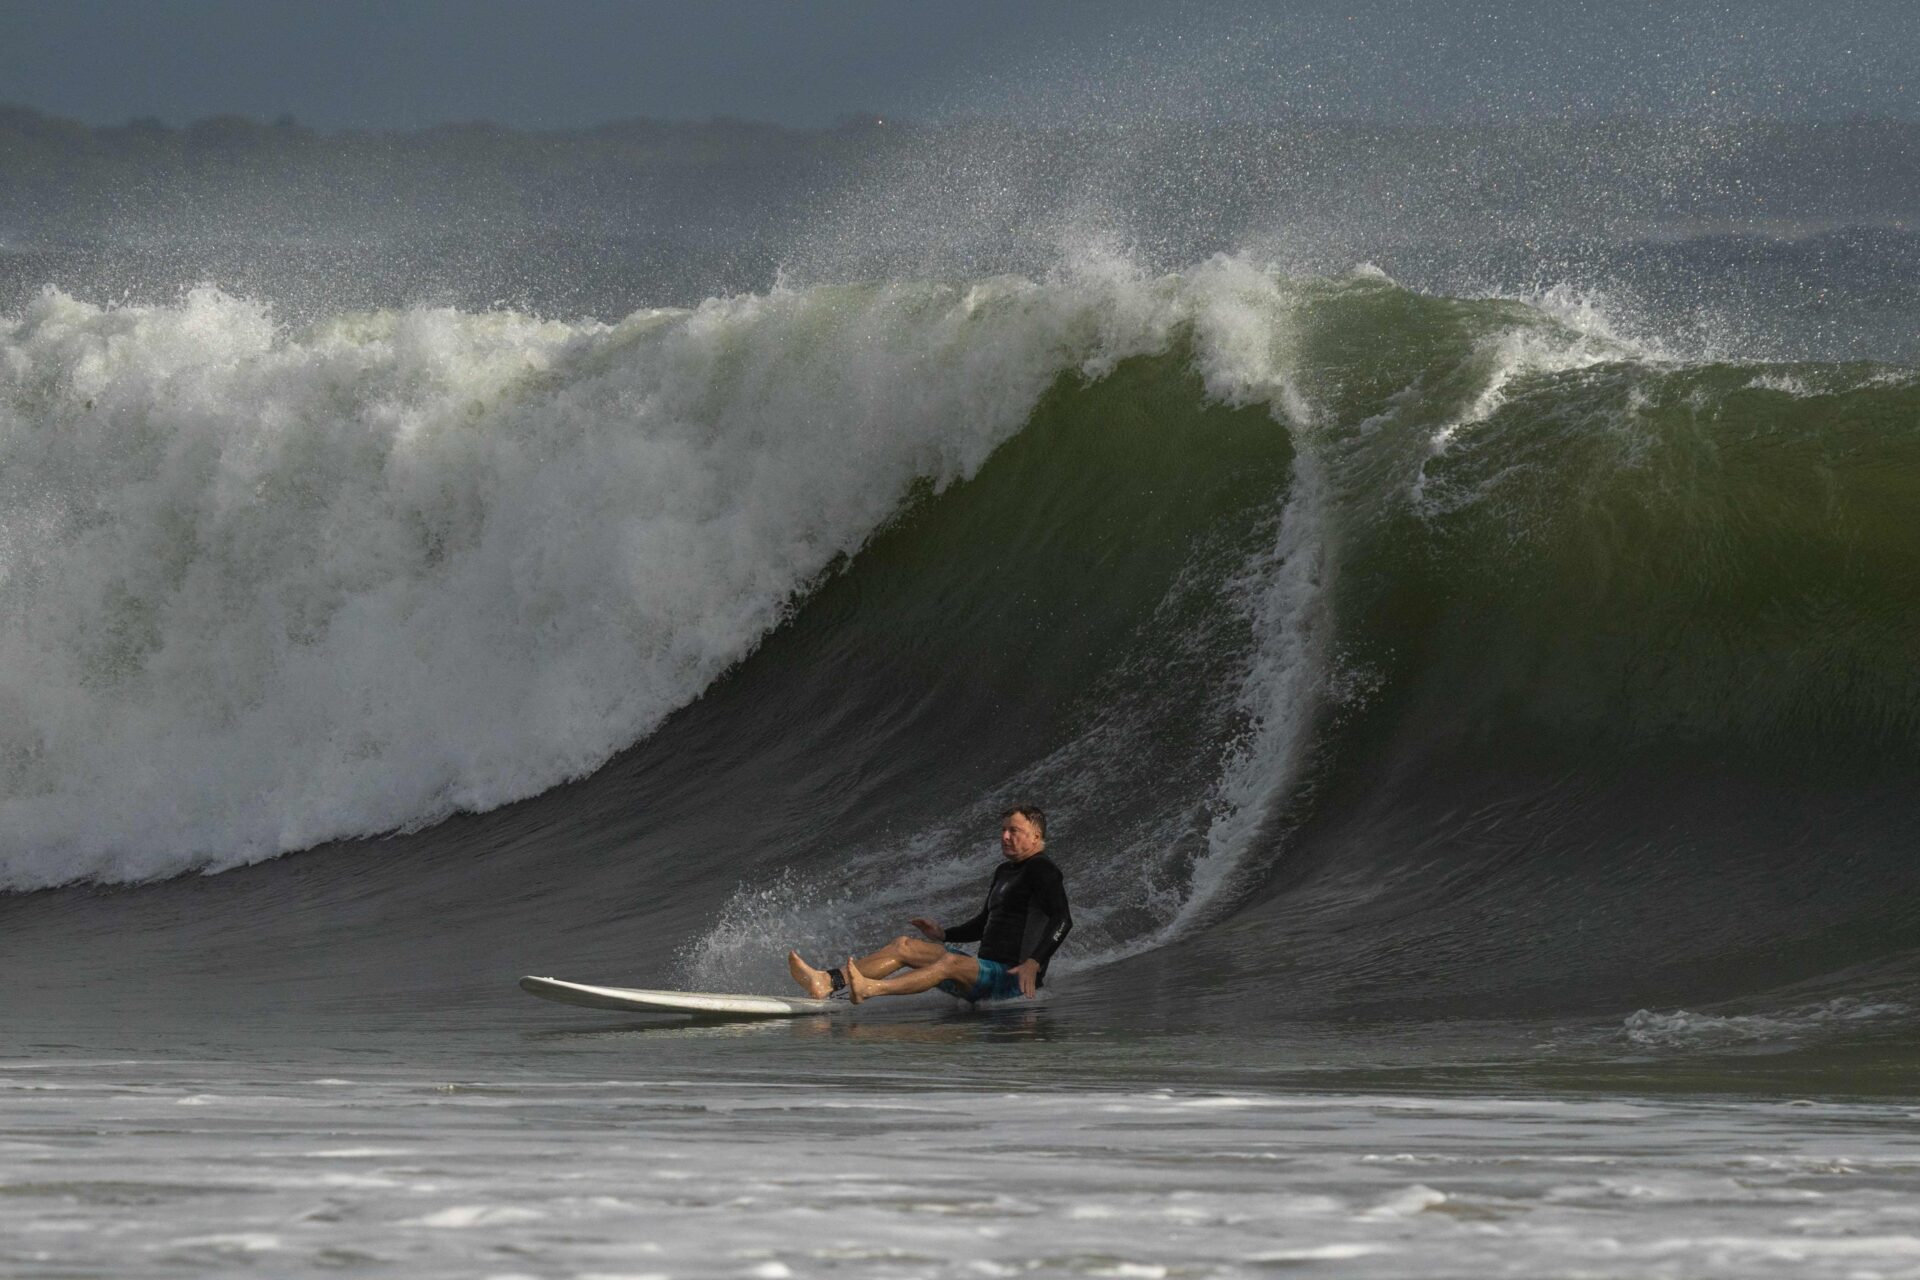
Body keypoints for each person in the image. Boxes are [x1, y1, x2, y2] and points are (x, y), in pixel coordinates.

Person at [787, 806, 1072, 1004]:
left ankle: (870, 989)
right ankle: (827, 981)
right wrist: (944, 934)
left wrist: (1034, 964)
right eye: (1003, 830)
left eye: (1014, 830)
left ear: (1036, 836)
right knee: (904, 946)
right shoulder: (1005, 871)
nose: (1005, 836)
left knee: (948, 961)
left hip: (1013, 982)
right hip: (983, 972)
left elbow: (1063, 920)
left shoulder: (1043, 870)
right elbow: (984, 924)